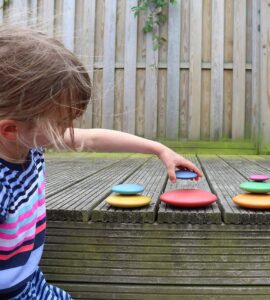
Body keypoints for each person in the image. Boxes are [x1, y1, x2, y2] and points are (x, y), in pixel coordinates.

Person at [0, 26, 202, 299]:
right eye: (61, 123)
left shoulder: (29, 143)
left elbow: (93, 138)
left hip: (32, 284)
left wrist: (159, 149)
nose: (69, 130)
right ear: (10, 130)